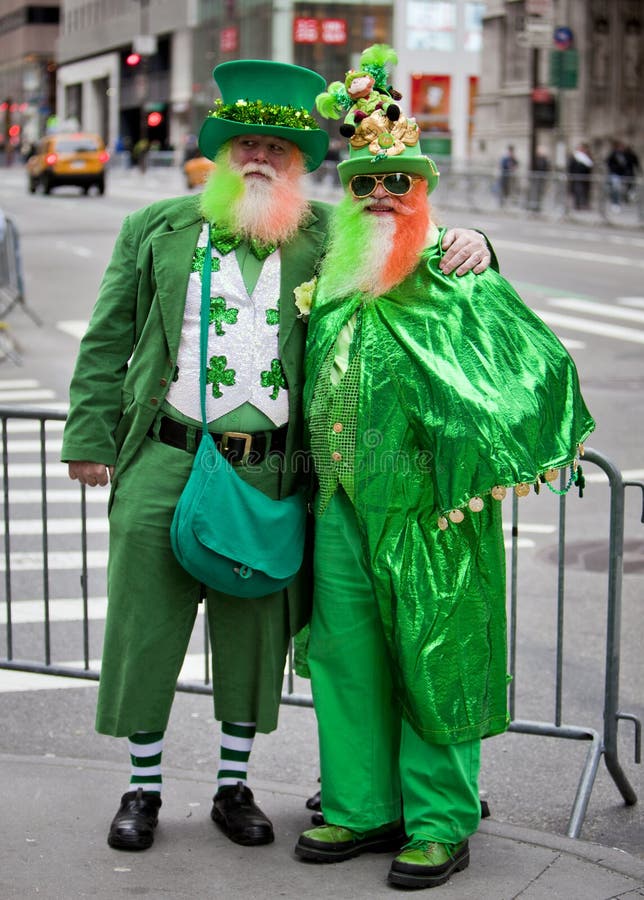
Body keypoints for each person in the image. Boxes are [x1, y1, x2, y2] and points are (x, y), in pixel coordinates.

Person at [60, 56, 490, 855]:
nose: (260, 158)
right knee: (145, 623)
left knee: (254, 630)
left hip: (268, 469)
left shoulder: (326, 232)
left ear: (300, 166)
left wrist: (472, 239)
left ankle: (234, 786)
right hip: (165, 454)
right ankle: (142, 788)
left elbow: (403, 232)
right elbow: (107, 341)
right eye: (246, 144)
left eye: (280, 150)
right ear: (219, 155)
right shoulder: (154, 227)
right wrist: (89, 439)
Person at [294, 50, 594, 890]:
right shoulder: (334, 283)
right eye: (364, 182)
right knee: (348, 661)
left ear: (423, 190)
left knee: (437, 656)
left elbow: (541, 372)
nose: (382, 193)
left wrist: (477, 469)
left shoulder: (457, 274)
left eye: (398, 180)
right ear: (347, 196)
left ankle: (438, 821)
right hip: (343, 507)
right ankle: (359, 806)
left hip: (432, 514)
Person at [567, 142, 594, 210]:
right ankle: (577, 205)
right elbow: (571, 167)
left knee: (585, 191)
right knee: (577, 191)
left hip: (585, 178)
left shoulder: (587, 156)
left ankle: (584, 204)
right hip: (576, 177)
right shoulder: (574, 157)